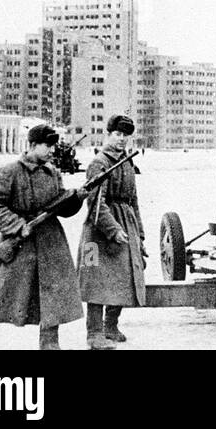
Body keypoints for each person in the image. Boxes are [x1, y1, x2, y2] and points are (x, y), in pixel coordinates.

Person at [0, 124, 88, 350]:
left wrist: (77, 198)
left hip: (50, 240)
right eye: (47, 146)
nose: (51, 151)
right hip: (20, 240)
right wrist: (17, 225)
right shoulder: (10, 171)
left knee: (52, 292)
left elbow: (60, 208)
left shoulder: (52, 172)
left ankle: (49, 341)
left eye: (52, 146)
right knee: (1, 290)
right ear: (32, 145)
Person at [77, 115, 146, 350]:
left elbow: (134, 201)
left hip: (126, 222)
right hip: (99, 228)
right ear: (108, 134)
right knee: (96, 280)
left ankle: (111, 325)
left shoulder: (126, 162)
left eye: (126, 135)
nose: (122, 139)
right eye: (117, 134)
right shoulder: (100, 162)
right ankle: (94, 333)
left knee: (124, 276)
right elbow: (95, 201)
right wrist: (113, 229)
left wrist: (140, 234)